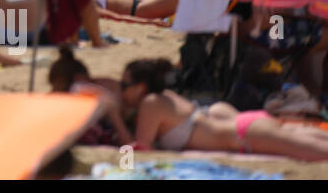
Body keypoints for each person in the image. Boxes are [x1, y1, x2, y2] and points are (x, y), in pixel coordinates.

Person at [121, 58, 328, 159]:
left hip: (246, 134)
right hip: (248, 125)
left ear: (140, 88)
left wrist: (113, 116)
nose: (121, 92)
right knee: (315, 140)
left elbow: (140, 150)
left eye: (124, 86)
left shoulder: (151, 104)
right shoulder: (168, 97)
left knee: (320, 153)